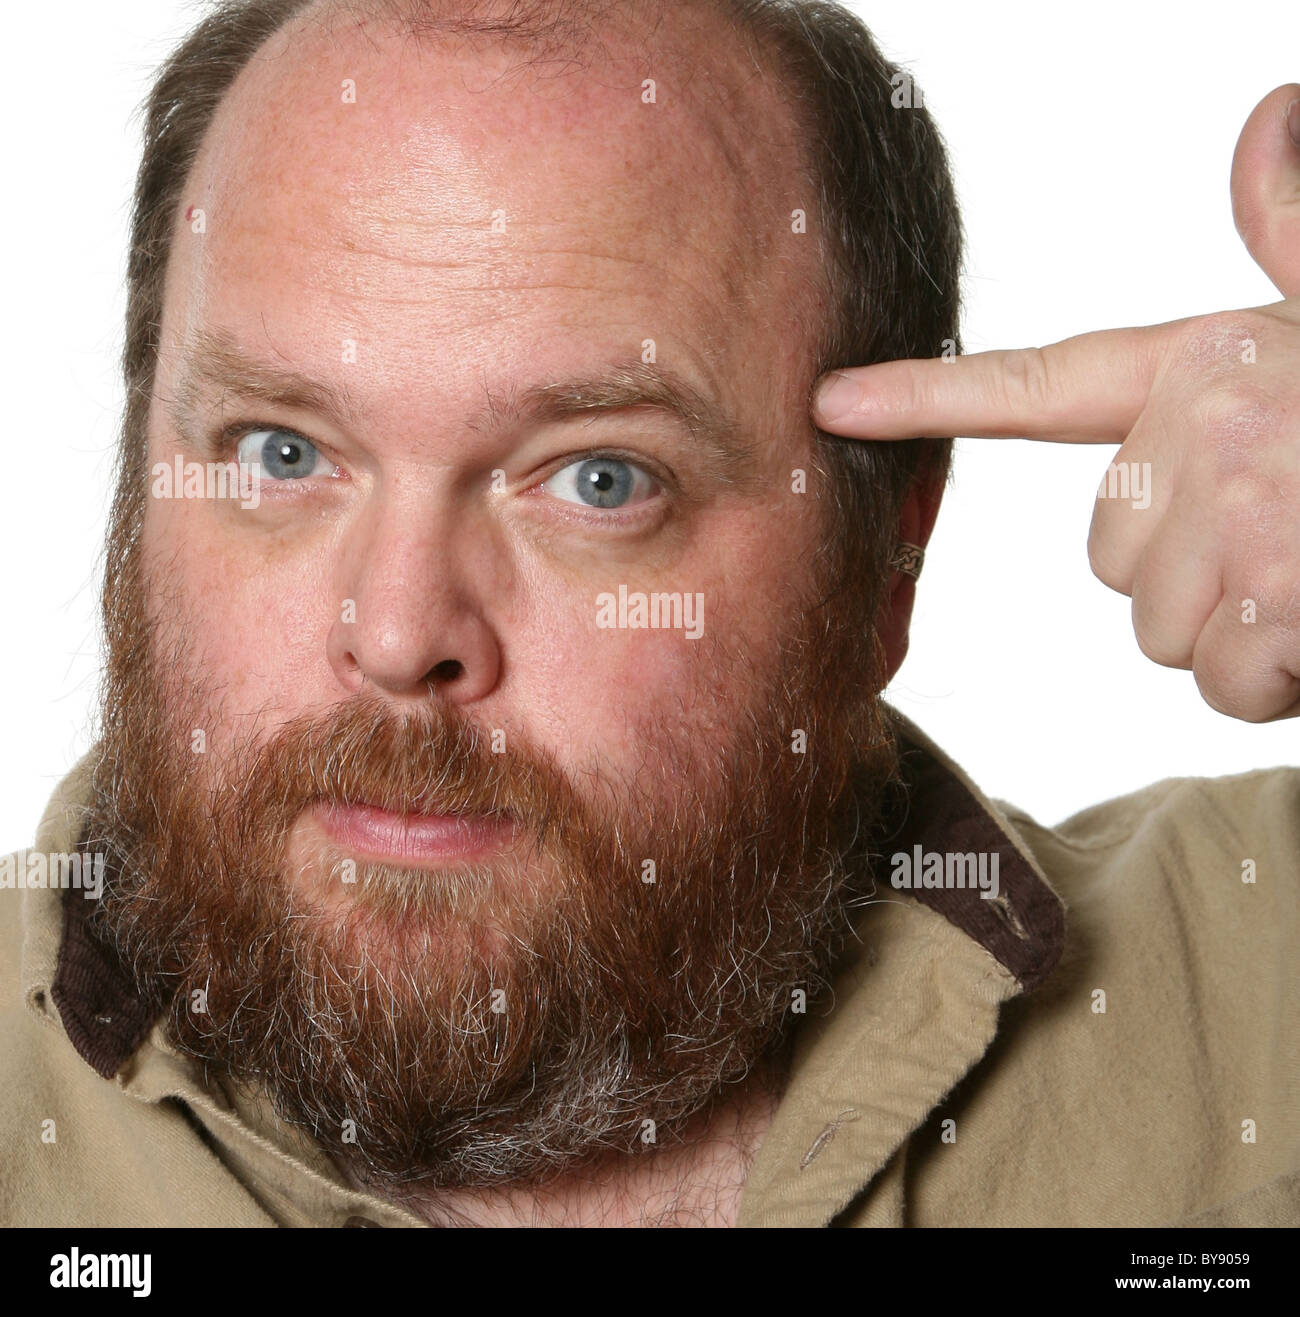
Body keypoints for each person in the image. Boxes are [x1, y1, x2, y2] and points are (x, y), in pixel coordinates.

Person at [2, 0, 1296, 1228]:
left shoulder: (1254, 999)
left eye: (598, 480)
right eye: (281, 452)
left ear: (888, 557)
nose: (398, 635)